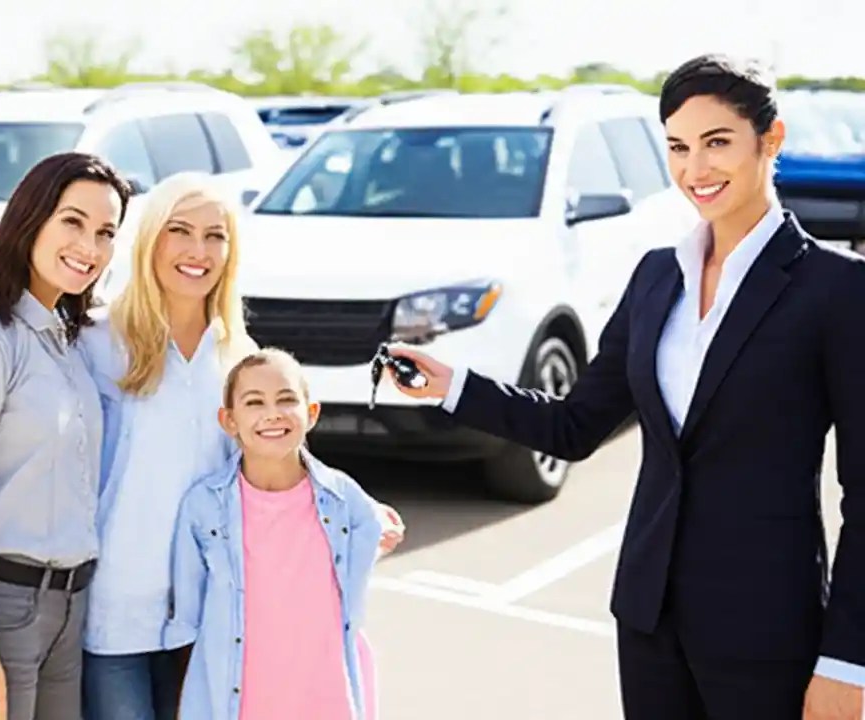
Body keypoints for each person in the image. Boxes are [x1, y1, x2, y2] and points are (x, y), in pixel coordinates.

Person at [385, 54, 865, 720]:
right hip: (648, 620)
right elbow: (576, 425)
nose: (696, 169)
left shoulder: (838, 292)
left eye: (717, 142)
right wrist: (453, 386)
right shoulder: (654, 279)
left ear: (772, 139)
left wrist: (848, 661)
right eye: (678, 147)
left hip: (769, 634)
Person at [77, 173, 404, 720]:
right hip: (115, 609)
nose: (198, 251)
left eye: (216, 235)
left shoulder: (236, 353)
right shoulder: (95, 343)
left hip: (212, 619)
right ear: (150, 238)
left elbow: (274, 450)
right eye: (179, 231)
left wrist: (356, 505)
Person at [0, 152, 132, 720]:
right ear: (30, 219)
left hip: (68, 608)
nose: (90, 246)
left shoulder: (67, 335)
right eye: (73, 222)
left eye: (106, 232)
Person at [166, 348, 385, 720]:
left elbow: (362, 562)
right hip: (236, 699)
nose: (272, 414)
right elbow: (188, 619)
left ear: (311, 413)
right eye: (254, 402)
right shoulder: (203, 507)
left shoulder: (344, 499)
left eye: (287, 400)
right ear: (229, 420)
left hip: (324, 696)